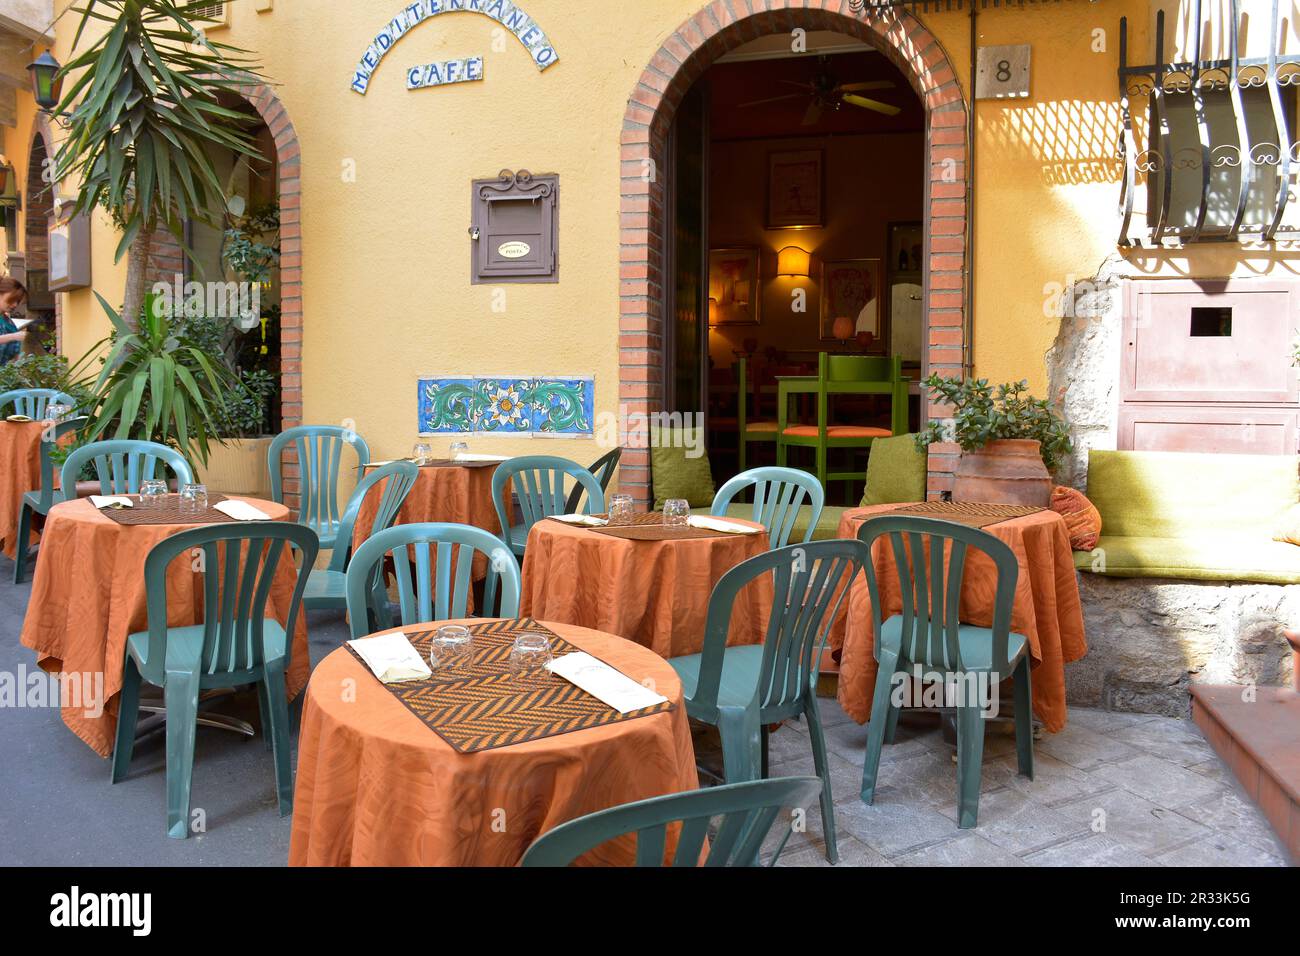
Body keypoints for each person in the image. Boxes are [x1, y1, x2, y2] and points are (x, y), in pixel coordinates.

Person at [0, 277, 30, 365]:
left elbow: (16, 356)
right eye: (12, 299)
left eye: (18, 301)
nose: (15, 305)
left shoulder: (9, 323)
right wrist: (13, 336)